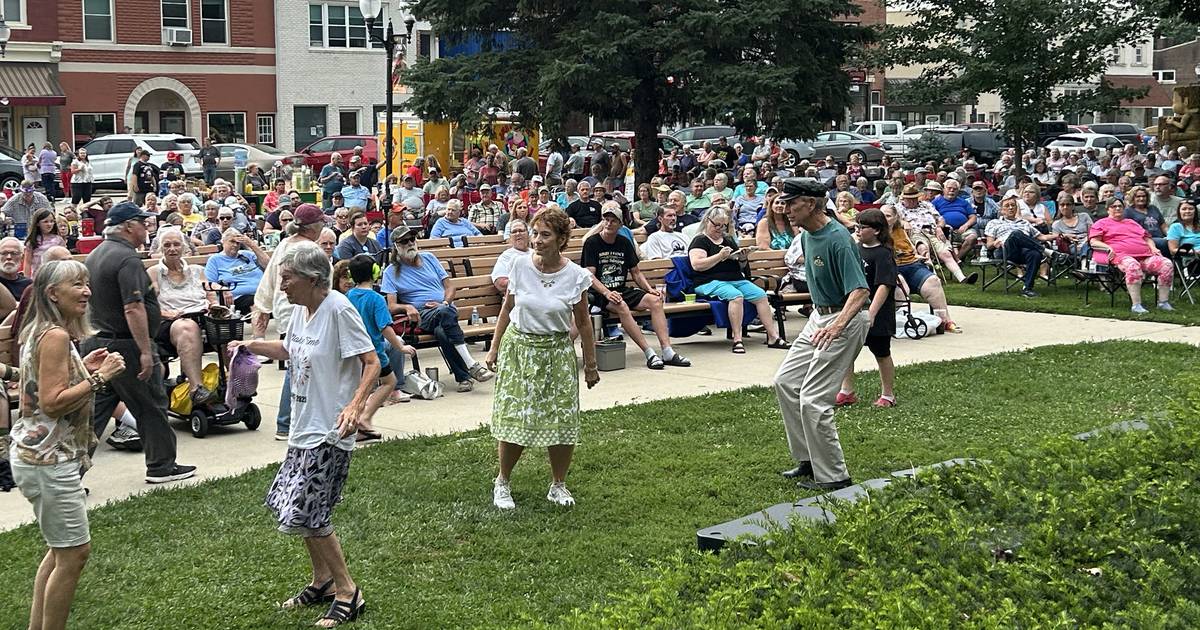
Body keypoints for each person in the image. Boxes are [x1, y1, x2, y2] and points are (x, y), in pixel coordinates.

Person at [230, 243, 377, 628]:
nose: (282, 286)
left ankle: (348, 592)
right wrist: (250, 344)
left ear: (313, 280)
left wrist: (355, 406)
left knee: (312, 511)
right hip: (302, 426)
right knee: (296, 508)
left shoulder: (339, 309)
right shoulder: (299, 311)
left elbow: (372, 362)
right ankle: (323, 581)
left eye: (287, 278)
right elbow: (289, 349)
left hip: (329, 428)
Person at [6, 259, 127, 630]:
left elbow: (39, 388)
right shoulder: (55, 336)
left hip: (37, 456)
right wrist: (100, 379)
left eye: (87, 283)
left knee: (59, 551)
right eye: (77, 284)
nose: (87, 291)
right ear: (52, 293)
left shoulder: (42, 331)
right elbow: (52, 402)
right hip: (47, 460)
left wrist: (84, 367)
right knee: (74, 554)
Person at [481, 205, 599, 510]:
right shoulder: (519, 266)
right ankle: (503, 482)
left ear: (561, 239)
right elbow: (507, 309)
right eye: (535, 233)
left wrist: (590, 365)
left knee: (562, 421)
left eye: (545, 234)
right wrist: (493, 348)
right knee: (516, 418)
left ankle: (558, 484)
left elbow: (584, 322)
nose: (537, 239)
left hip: (557, 354)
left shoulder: (575, 276)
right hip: (520, 350)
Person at [81, 202, 195, 484]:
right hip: (126, 347)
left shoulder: (95, 255)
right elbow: (133, 307)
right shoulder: (126, 258)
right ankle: (161, 466)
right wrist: (145, 351)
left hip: (98, 343)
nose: (147, 228)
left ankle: (68, 475)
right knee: (150, 405)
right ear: (129, 226)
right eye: (143, 223)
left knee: (95, 412)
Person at [773, 178, 869, 492]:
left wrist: (837, 325)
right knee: (786, 382)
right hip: (819, 315)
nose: (785, 209)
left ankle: (834, 477)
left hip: (844, 318)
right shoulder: (806, 235)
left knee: (813, 399)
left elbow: (860, 291)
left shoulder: (838, 238)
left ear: (812, 203)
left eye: (791, 203)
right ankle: (807, 459)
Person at [381, 225, 494, 392]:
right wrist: (407, 307)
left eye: (412, 239)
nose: (410, 243)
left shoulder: (430, 258)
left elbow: (450, 288)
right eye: (405, 241)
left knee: (442, 330)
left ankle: (464, 377)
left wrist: (445, 303)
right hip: (421, 316)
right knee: (444, 317)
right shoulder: (391, 271)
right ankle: (471, 364)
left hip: (445, 309)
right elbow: (391, 306)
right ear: (396, 247)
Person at [583, 206, 691, 369]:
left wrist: (649, 289)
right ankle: (649, 353)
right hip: (600, 293)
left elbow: (636, 272)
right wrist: (606, 292)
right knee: (622, 306)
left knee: (655, 301)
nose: (608, 223)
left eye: (613, 221)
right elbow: (589, 276)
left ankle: (667, 351)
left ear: (620, 225)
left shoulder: (624, 242)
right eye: (606, 220)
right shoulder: (592, 243)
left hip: (621, 289)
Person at [254, 203, 327, 440]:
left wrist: (264, 308)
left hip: (285, 312)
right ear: (314, 226)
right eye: (322, 223)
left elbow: (268, 281)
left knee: (298, 362)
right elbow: (323, 286)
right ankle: (285, 423)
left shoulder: (285, 244)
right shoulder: (310, 250)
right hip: (303, 311)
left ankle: (294, 420)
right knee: (298, 364)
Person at [688, 208, 786, 353]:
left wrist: (742, 258)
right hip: (709, 281)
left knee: (760, 295)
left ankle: (773, 336)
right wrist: (719, 256)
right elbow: (697, 265)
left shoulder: (727, 239)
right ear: (707, 221)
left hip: (734, 278)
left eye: (723, 226)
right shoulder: (700, 240)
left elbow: (739, 266)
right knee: (736, 296)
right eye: (717, 225)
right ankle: (737, 339)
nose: (720, 229)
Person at [345, 254, 417, 441]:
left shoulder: (349, 296)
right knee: (389, 383)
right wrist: (400, 347)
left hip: (353, 351)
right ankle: (365, 417)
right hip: (374, 352)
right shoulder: (376, 299)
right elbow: (384, 327)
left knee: (362, 387)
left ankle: (357, 425)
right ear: (376, 273)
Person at [837, 209, 897, 408]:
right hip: (854, 309)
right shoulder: (855, 249)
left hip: (877, 313)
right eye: (857, 226)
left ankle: (888, 394)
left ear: (877, 230)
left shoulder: (883, 254)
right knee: (847, 351)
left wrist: (871, 313)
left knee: (881, 351)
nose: (858, 230)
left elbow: (884, 285)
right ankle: (846, 391)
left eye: (863, 227)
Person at [149, 227, 217, 403]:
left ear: (184, 247)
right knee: (187, 327)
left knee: (226, 327)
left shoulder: (196, 270)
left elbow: (210, 294)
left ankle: (233, 383)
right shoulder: (154, 273)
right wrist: (166, 313)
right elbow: (148, 306)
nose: (172, 248)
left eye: (176, 244)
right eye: (167, 245)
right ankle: (196, 389)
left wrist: (215, 306)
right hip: (170, 322)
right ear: (160, 249)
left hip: (203, 318)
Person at [881, 204, 963, 333]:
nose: (884, 219)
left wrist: (918, 255)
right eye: (882, 215)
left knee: (933, 281)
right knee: (900, 285)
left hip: (912, 265)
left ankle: (945, 321)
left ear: (896, 217)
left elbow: (911, 248)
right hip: (892, 268)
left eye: (888, 216)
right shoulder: (875, 232)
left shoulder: (901, 230)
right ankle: (902, 322)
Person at [1089, 198, 1175, 314]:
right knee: (1132, 265)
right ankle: (1136, 305)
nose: (1118, 208)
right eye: (1114, 206)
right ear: (1107, 209)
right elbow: (1094, 242)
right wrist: (1108, 248)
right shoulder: (1101, 223)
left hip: (1144, 256)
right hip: (1120, 256)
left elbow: (1147, 238)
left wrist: (1153, 248)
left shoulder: (1131, 223)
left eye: (1120, 206)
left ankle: (1163, 302)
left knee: (1166, 264)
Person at [205, 228, 268, 314]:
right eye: (232, 241)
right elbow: (209, 283)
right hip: (239, 298)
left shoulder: (248, 255)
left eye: (238, 243)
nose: (235, 245)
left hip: (263, 293)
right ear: (223, 241)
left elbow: (268, 266)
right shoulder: (215, 260)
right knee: (257, 304)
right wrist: (223, 289)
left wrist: (252, 245)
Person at [491, 219, 531, 292]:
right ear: (510, 236)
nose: (518, 233)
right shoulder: (506, 256)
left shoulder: (535, 253)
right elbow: (500, 284)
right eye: (514, 232)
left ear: (528, 234)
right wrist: (528, 281)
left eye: (521, 231)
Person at [24, 208, 67, 278]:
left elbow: (64, 259)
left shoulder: (58, 240)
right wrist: (26, 280)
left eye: (52, 221)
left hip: (55, 276)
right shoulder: (32, 241)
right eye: (45, 222)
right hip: (37, 276)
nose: (49, 224)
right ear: (37, 223)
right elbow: (27, 263)